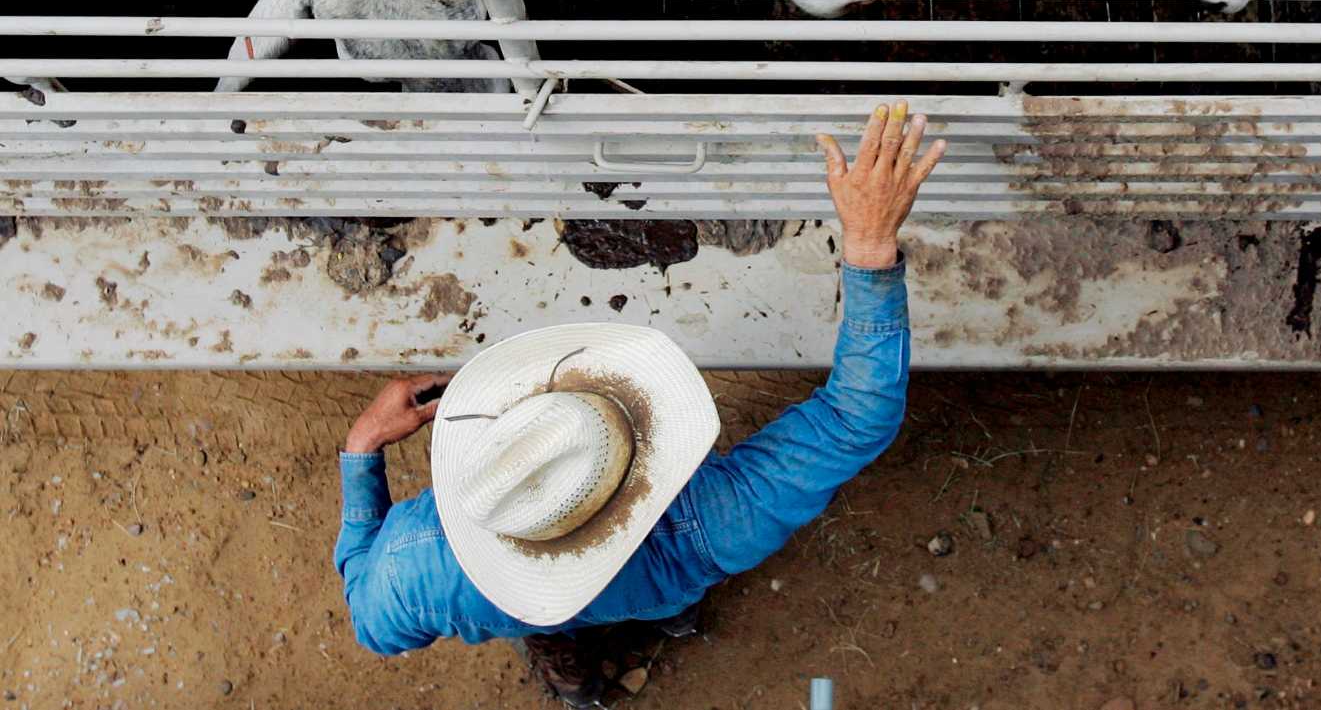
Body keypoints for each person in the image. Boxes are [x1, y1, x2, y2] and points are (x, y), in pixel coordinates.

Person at [332, 103, 945, 706]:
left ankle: (571, 667)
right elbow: (853, 416)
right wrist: (868, 243)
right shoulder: (713, 520)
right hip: (671, 569)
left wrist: (363, 449)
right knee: (671, 598)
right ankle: (670, 620)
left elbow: (365, 617)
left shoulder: (413, 569)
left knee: (553, 622)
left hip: (497, 596)